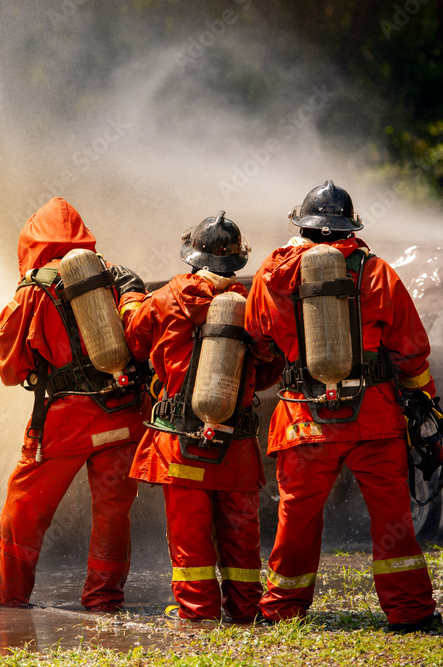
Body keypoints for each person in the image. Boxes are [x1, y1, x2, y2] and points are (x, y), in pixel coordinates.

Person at [246, 180, 441, 632]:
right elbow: (410, 349)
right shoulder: (378, 273)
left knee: (296, 515)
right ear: (348, 228)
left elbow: (258, 338)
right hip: (373, 417)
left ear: (305, 228)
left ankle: (281, 609)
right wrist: (425, 398)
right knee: (392, 517)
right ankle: (409, 611)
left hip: (303, 418)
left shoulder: (274, 276)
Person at [0, 196, 148, 612]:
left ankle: (6, 595)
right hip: (125, 414)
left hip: (68, 422)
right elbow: (143, 335)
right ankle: (104, 599)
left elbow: (8, 368)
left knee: (27, 505)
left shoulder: (33, 289)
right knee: (113, 513)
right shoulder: (117, 277)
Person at [118, 211, 275, 623]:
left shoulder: (167, 297)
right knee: (241, 537)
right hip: (236, 447)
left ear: (192, 256)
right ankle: (246, 611)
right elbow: (269, 371)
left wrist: (130, 297)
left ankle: (198, 614)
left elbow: (134, 343)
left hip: (182, 447)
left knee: (191, 540)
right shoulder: (252, 303)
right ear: (237, 261)